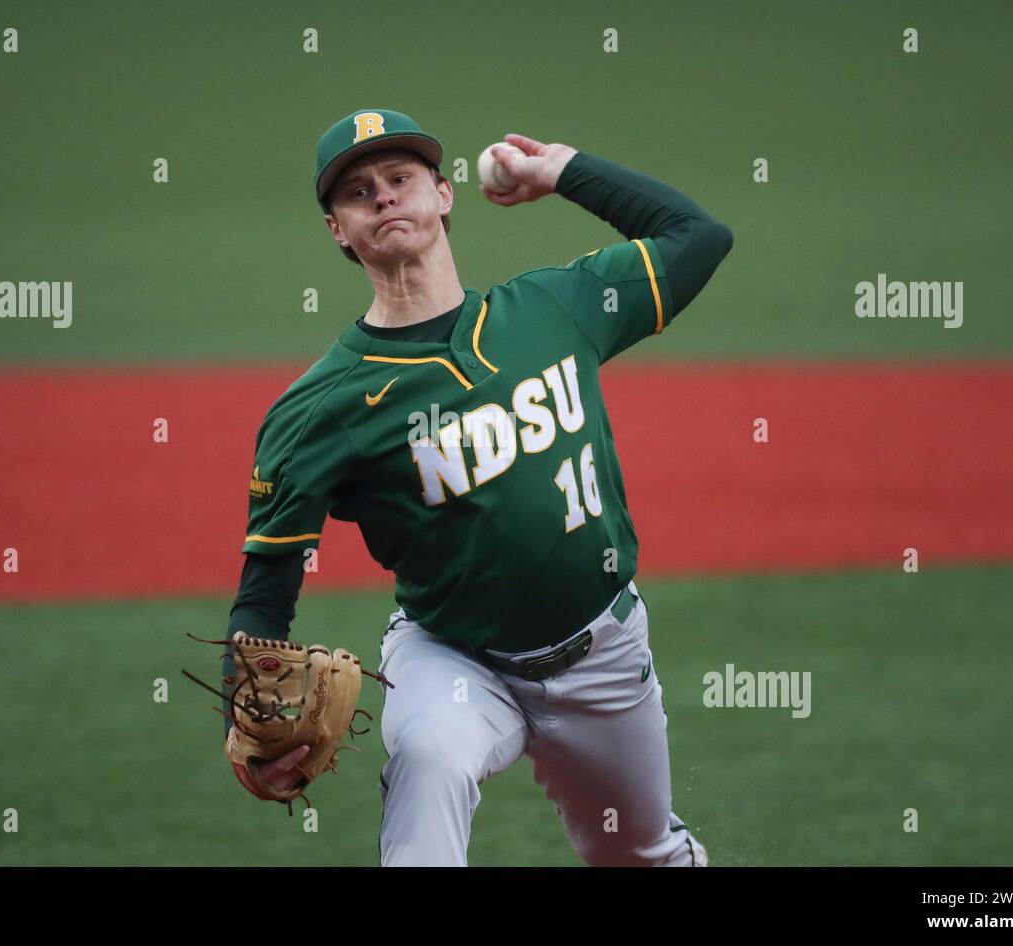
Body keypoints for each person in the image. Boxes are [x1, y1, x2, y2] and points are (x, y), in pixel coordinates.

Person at [223, 108, 733, 866]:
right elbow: (266, 587)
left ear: (443, 194)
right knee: (430, 755)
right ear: (338, 230)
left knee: (639, 853)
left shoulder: (554, 309)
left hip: (604, 657)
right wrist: (245, 728)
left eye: (401, 179)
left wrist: (562, 170)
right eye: (360, 192)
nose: (385, 198)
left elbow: (699, 237)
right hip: (455, 659)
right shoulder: (319, 409)